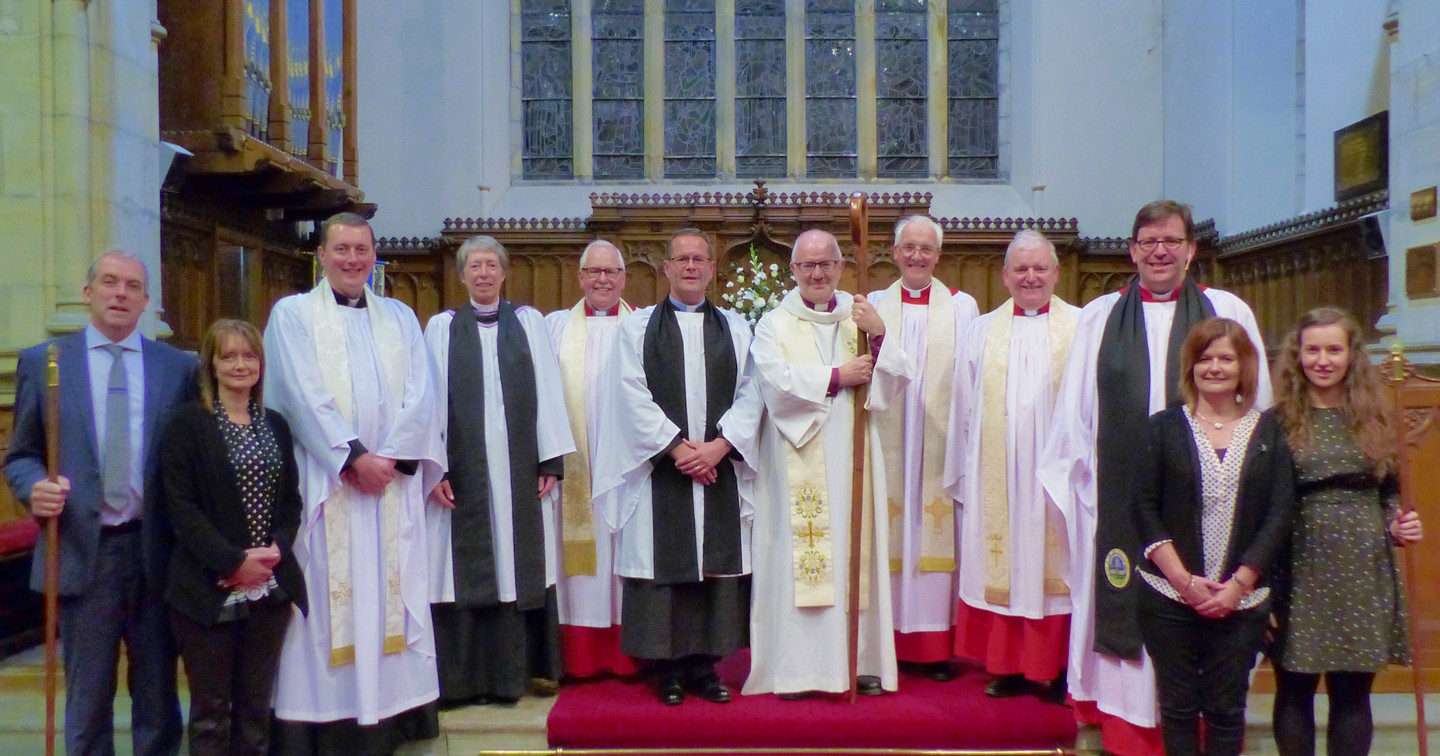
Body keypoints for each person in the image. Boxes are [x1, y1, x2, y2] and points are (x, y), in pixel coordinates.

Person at [1037, 200, 1270, 756]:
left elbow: (1257, 407)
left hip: (1214, 500)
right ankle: (1131, 734)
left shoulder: (1226, 310)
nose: (1159, 251)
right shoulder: (1099, 317)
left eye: (1171, 241)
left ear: (1191, 249)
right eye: (1148, 242)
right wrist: (1085, 490)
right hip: (1120, 501)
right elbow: (1074, 415)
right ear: (1132, 250)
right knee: (1131, 614)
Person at [262, 212, 446, 755]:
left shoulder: (400, 317)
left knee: (392, 591)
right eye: (341, 249)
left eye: (361, 250)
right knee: (327, 599)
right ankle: (326, 717)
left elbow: (423, 393)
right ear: (320, 255)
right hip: (329, 487)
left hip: (389, 488)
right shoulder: (292, 315)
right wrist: (352, 457)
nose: (352, 259)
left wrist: (388, 458)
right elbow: (299, 392)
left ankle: (391, 714)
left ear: (374, 256)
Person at [5, 250, 194, 756]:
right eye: (109, 283)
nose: (120, 293)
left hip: (155, 552)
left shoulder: (177, 368)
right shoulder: (45, 362)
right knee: (88, 699)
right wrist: (32, 488)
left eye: (132, 286)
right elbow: (21, 455)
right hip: (82, 550)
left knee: (158, 695)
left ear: (147, 300)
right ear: (88, 293)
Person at [590, 229, 764, 706]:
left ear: (712, 269)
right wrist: (676, 449)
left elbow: (753, 391)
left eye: (699, 259)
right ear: (665, 267)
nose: (690, 267)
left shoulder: (736, 327)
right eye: (681, 259)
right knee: (664, 563)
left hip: (718, 470)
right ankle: (665, 669)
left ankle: (706, 667)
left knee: (714, 565)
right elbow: (628, 392)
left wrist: (720, 447)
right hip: (661, 472)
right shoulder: (638, 327)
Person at [744, 228, 913, 698]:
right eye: (807, 265)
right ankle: (797, 671)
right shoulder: (774, 324)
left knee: (852, 553)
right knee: (800, 556)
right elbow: (772, 382)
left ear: (840, 267)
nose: (817, 273)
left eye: (826, 264)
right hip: (795, 456)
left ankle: (855, 664)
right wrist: (838, 376)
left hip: (855, 455)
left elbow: (897, 378)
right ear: (793, 270)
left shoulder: (858, 317)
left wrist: (878, 335)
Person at [423, 236, 575, 705]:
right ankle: (465, 681)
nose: (483, 273)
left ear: (504, 273)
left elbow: (548, 390)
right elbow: (428, 403)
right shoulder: (441, 328)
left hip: (518, 472)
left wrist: (549, 459)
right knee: (460, 568)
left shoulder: (527, 324)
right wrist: (436, 468)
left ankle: (518, 675)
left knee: (517, 567)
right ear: (462, 274)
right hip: (463, 475)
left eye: (492, 265)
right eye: (474, 266)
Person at [1134, 318, 1294, 756]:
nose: (1215, 367)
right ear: (1191, 366)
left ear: (1244, 366)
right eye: (1206, 358)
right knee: (1178, 706)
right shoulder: (1163, 427)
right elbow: (1144, 508)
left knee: (1226, 709)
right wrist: (1184, 581)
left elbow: (1280, 513)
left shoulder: (1271, 432)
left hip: (1241, 600)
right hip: (1167, 595)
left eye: (1226, 358)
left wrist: (1239, 584)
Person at [1269, 307, 1424, 756]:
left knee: (1352, 693)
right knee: (1294, 687)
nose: (1322, 359)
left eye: (1333, 349)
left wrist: (1399, 520)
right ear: (1297, 356)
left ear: (1351, 355)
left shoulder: (1376, 416)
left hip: (1363, 562)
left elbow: (1391, 490)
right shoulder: (1277, 421)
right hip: (1298, 562)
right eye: (1312, 349)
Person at [159, 319, 307, 756]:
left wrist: (276, 550)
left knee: (255, 709)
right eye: (229, 356)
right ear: (211, 364)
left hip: (268, 588)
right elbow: (181, 508)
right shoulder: (187, 424)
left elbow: (291, 502)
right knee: (210, 712)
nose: (240, 364)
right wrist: (232, 562)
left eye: (249, 356)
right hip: (207, 586)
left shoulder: (275, 424)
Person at [945, 229, 1078, 701]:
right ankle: (1007, 666)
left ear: (1057, 273)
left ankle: (1060, 667)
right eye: (1020, 269)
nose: (1030, 277)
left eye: (1040, 268)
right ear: (1004, 276)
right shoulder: (982, 330)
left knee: (1056, 565)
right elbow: (963, 405)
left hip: (1056, 476)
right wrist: (966, 469)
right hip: (998, 472)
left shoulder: (1081, 327)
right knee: (1004, 560)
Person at [868, 215, 978, 681]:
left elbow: (971, 380)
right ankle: (882, 645)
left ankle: (932, 649)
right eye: (908, 247)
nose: (916, 256)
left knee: (932, 530)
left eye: (926, 249)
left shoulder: (962, 307)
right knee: (885, 531)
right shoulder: (874, 304)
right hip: (886, 438)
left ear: (938, 256)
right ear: (894, 253)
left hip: (939, 442)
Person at [544, 240, 639, 678]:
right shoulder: (555, 329)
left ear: (624, 277)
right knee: (579, 565)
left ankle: (630, 653)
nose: (603, 279)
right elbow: (540, 400)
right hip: (574, 468)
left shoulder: (644, 327)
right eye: (594, 272)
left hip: (630, 470)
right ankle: (581, 657)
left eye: (611, 272)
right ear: (580, 277)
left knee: (627, 556)